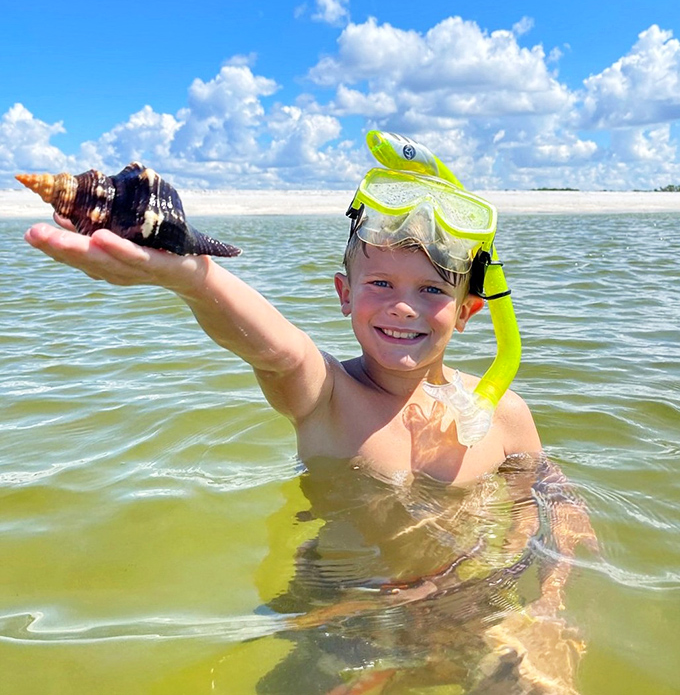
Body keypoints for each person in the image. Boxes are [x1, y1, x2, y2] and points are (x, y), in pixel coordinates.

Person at [23, 131, 593, 693]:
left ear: (467, 311)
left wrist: (550, 605)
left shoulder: (504, 414)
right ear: (344, 294)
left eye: (430, 290)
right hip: (344, 613)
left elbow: (552, 500)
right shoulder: (328, 398)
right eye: (380, 282)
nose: (402, 305)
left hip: (469, 609)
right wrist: (192, 278)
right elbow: (278, 350)